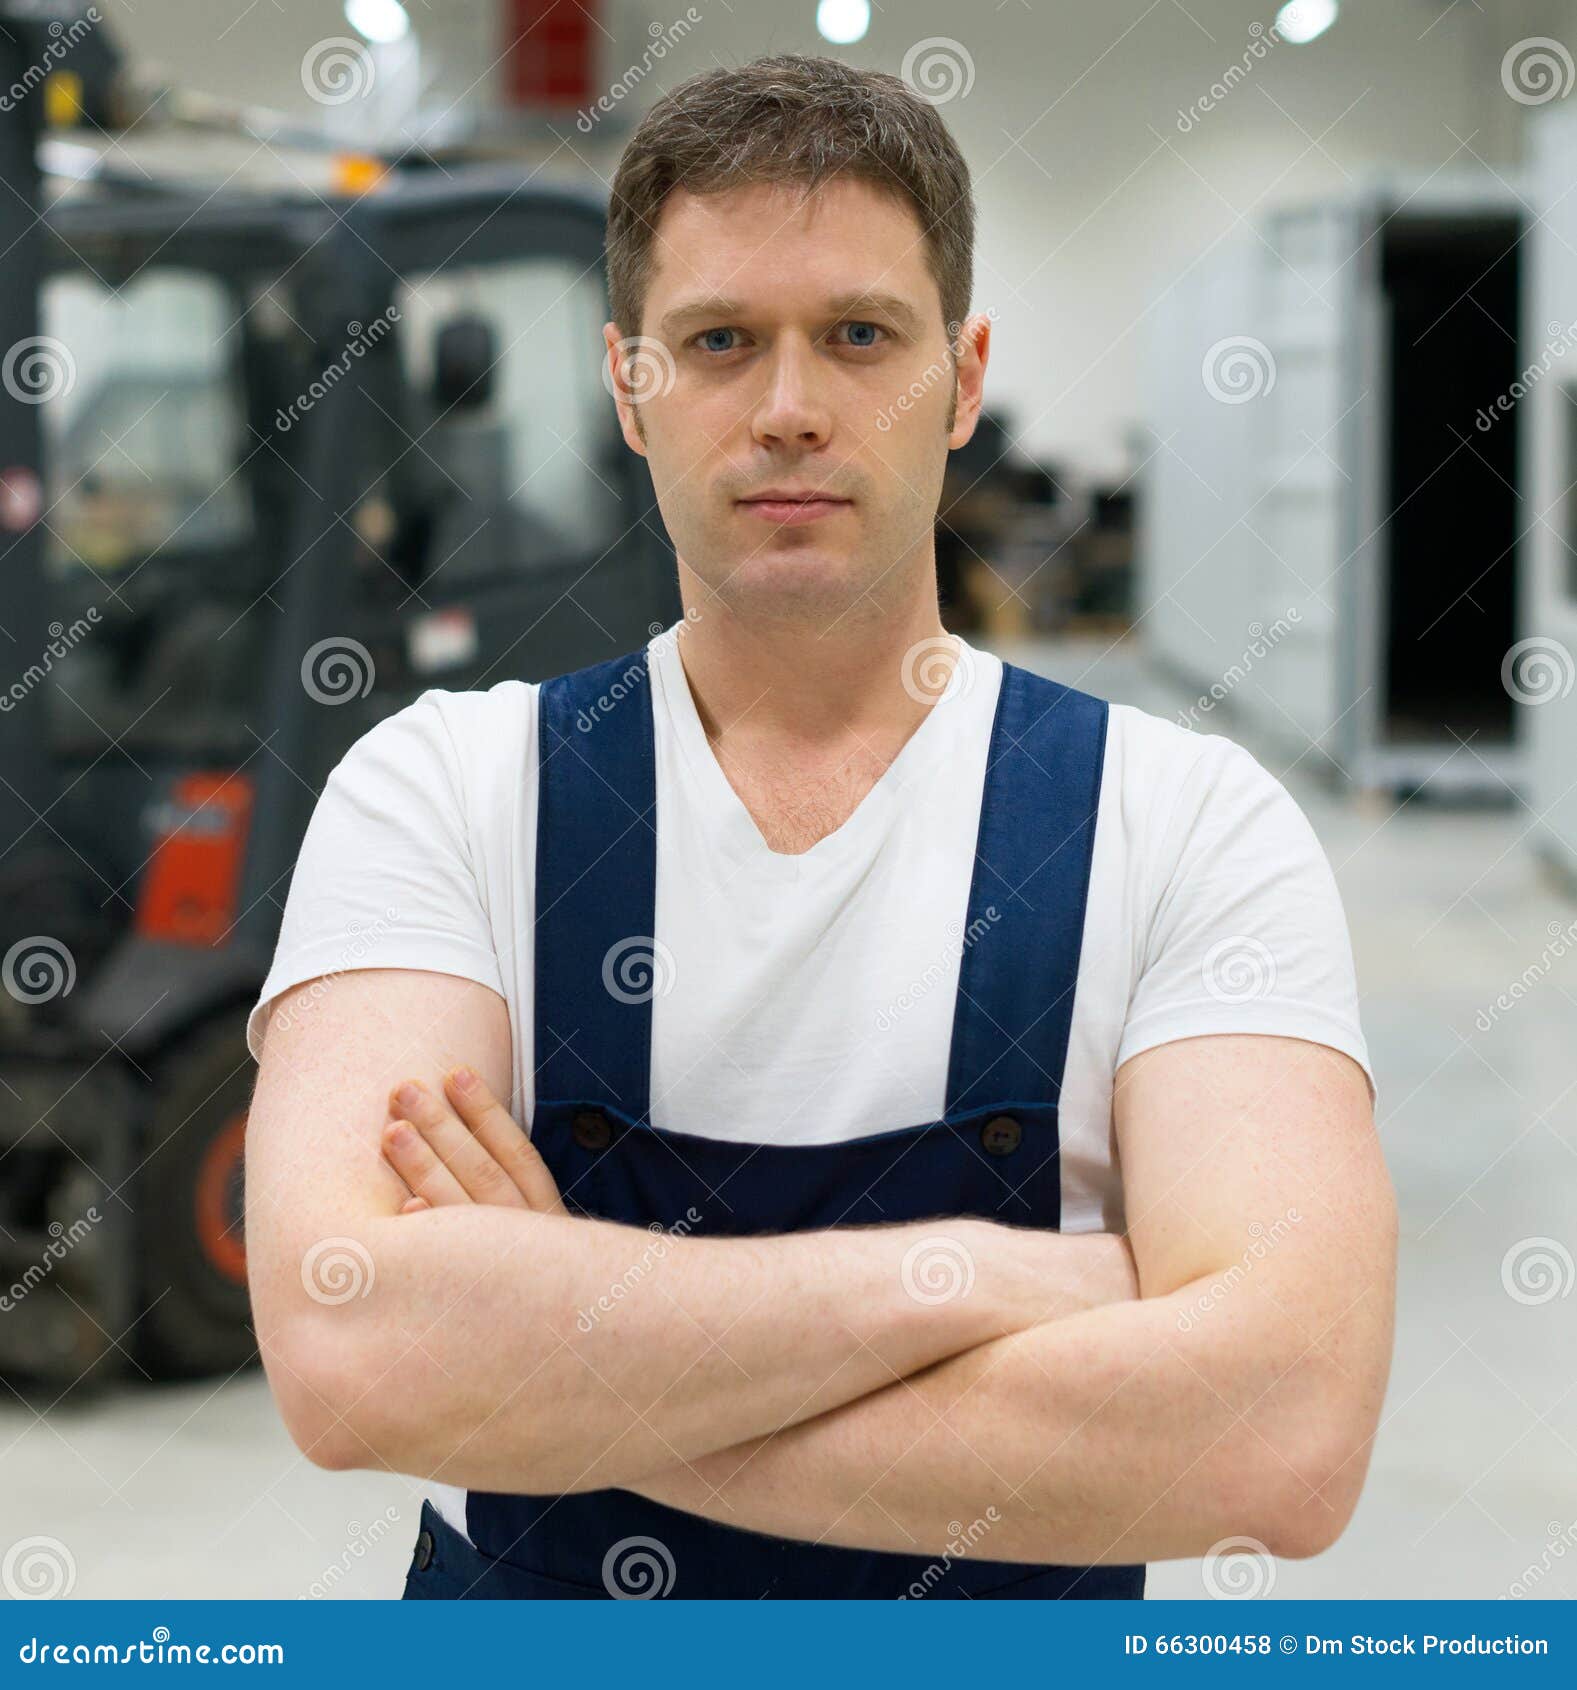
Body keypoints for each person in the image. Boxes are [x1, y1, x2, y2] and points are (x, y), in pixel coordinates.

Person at [244, 53, 1395, 1601]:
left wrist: (554, 1357)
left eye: (858, 336)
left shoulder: (1182, 826)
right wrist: (991, 1280)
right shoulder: (446, 790)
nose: (789, 410)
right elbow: (348, 1352)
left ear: (965, 375)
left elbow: (1275, 1435)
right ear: (629, 386)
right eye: (719, 342)